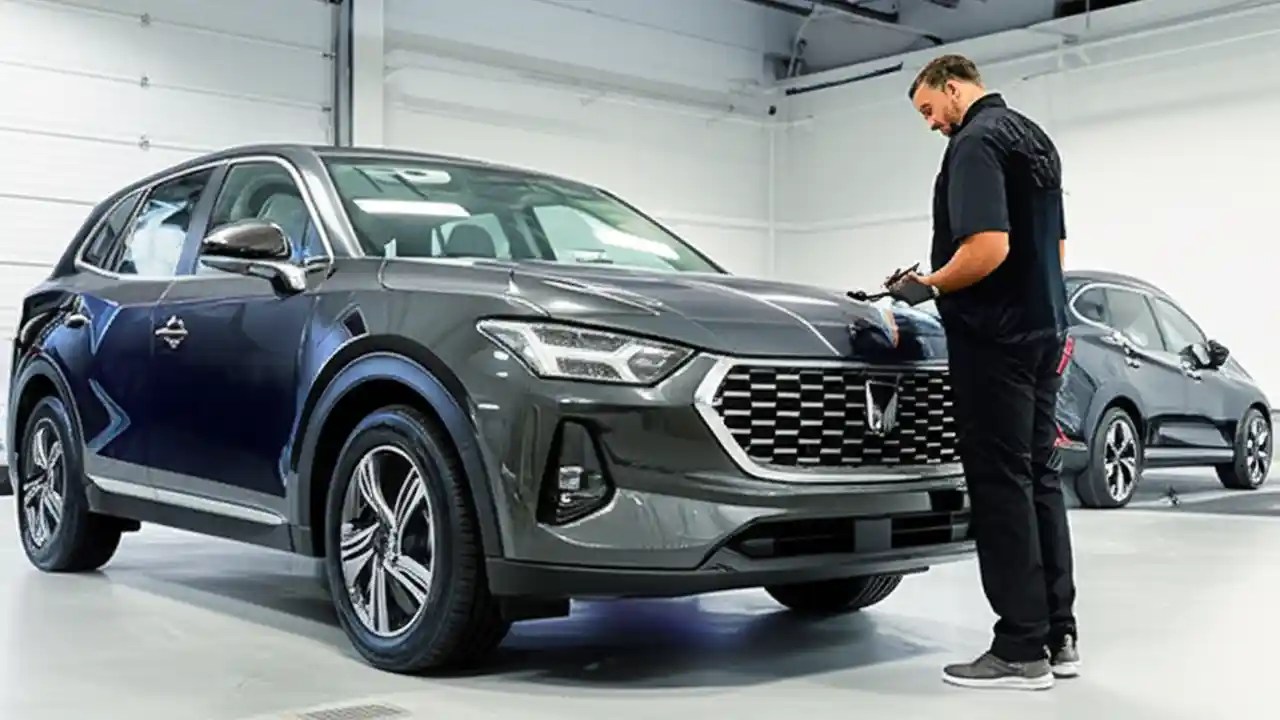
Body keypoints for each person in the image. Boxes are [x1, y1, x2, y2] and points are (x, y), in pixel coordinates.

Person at [886, 54, 1080, 691]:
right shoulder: (1035, 139)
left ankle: (1020, 648)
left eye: (928, 109)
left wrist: (927, 284)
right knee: (1040, 478)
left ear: (952, 87)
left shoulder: (974, 142)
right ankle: (1059, 635)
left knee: (1000, 485)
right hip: (1045, 329)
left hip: (994, 339)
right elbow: (1054, 249)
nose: (931, 123)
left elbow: (989, 247)